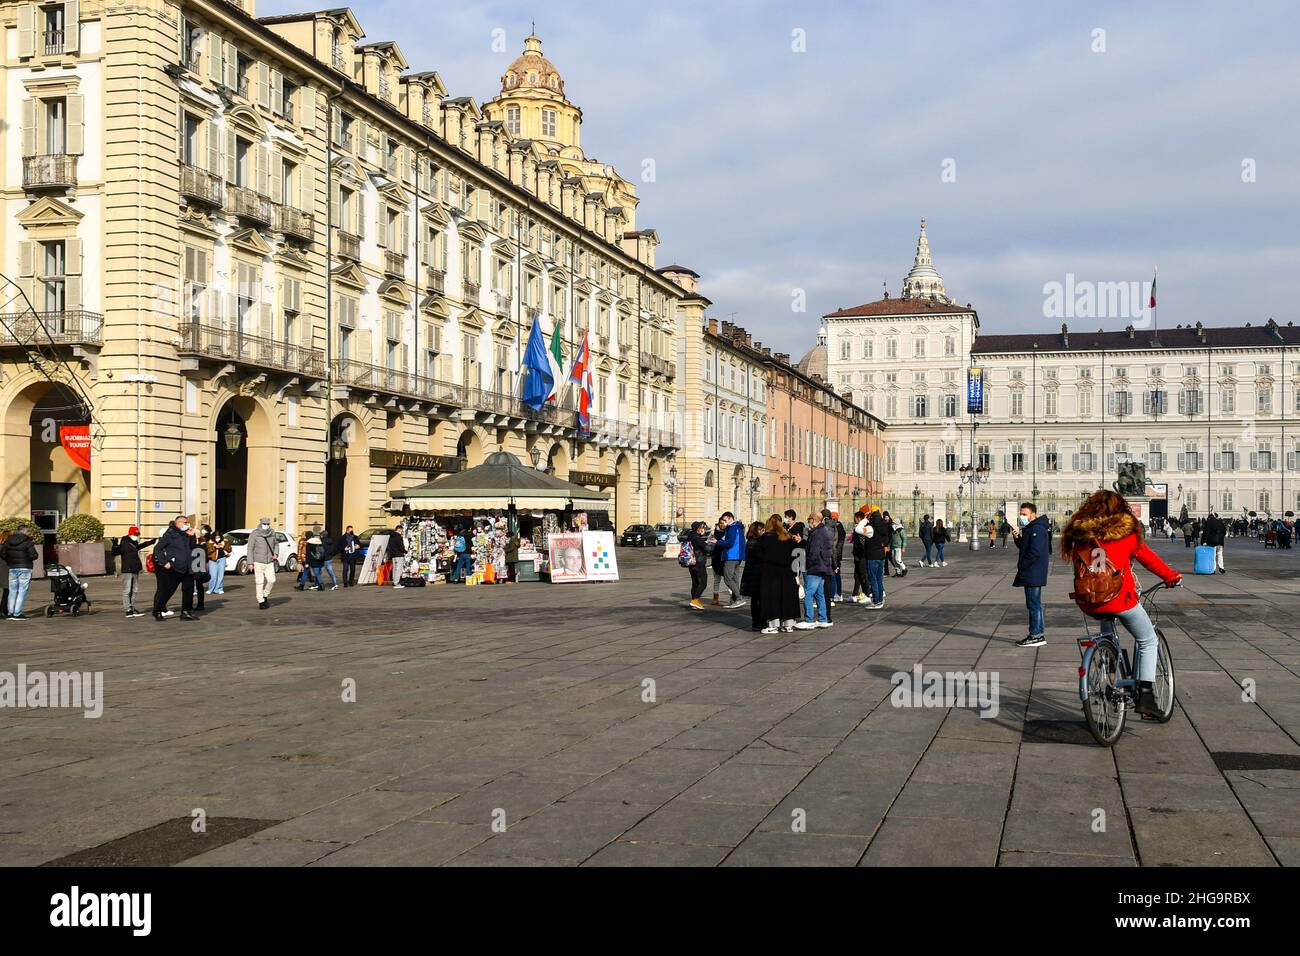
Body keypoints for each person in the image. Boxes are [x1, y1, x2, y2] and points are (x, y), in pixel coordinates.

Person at [1061, 489, 1181, 717]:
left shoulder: (1080, 537)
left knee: (1107, 636)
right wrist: (1171, 576)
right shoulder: (1125, 535)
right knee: (1148, 640)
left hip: (1090, 601)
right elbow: (1149, 559)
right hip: (1120, 600)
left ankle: (1109, 677)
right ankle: (1146, 695)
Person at [1011, 502, 1051, 647]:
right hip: (1033, 571)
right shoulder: (1032, 528)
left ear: (1033, 514)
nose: (1021, 516)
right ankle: (1038, 634)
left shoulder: (1037, 529)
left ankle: (1035, 635)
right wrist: (1017, 537)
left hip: (1033, 571)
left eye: (1024, 514)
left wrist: (1022, 565)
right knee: (1035, 604)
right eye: (1020, 514)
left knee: (1033, 605)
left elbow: (1034, 552)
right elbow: (1025, 546)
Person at [758, 515, 799, 633]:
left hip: (770, 572)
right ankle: (788, 624)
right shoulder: (788, 537)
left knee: (772, 598)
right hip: (787, 572)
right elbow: (796, 553)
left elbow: (759, 554)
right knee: (787, 598)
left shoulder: (766, 538)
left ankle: (773, 625)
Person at [796, 511, 834, 629]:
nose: (808, 522)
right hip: (822, 567)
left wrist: (808, 563)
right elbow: (813, 547)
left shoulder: (817, 533)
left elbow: (814, 552)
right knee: (819, 594)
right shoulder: (822, 531)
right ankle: (823, 619)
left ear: (813, 519)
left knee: (809, 593)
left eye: (809, 520)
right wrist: (802, 541)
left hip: (816, 567)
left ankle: (809, 619)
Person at [152, 517, 195, 621]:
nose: (187, 524)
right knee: (168, 590)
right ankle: (157, 610)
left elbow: (193, 547)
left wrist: (192, 536)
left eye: (188, 522)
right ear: (178, 523)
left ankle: (185, 612)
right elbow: (157, 548)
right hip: (175, 567)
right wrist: (164, 562)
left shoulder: (186, 534)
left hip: (188, 567)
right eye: (185, 522)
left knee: (189, 590)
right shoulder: (170, 534)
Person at [112, 526, 156, 617]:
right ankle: (128, 610)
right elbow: (115, 552)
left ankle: (131, 607)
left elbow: (138, 547)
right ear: (130, 534)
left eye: (137, 534)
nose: (136, 536)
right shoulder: (124, 542)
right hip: (127, 570)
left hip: (135, 569)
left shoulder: (134, 542)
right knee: (127, 590)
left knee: (134, 590)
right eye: (135, 534)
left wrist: (149, 542)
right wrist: (115, 545)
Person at [2, 524, 40, 620]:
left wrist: (10, 560)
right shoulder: (28, 541)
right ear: (24, 531)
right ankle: (17, 613)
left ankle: (10, 613)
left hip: (12, 568)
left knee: (12, 591)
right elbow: (34, 556)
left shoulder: (8, 540)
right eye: (28, 531)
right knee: (22, 591)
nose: (30, 533)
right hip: (25, 568)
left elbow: (2, 553)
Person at [739, 521, 766, 630]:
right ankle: (759, 622)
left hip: (751, 572)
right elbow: (760, 557)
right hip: (757, 573)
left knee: (755, 599)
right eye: (762, 529)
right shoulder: (756, 542)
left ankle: (756, 622)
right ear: (757, 530)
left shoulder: (750, 541)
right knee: (759, 599)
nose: (763, 532)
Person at [717, 511, 746, 608]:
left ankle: (739, 598)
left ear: (730, 518)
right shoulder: (738, 527)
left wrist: (717, 542)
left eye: (725, 520)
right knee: (734, 579)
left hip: (731, 556)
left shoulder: (732, 528)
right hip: (737, 556)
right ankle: (735, 600)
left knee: (728, 578)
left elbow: (729, 543)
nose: (724, 522)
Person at [248, 517, 278, 610]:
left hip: (269, 561)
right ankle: (261, 601)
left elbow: (276, 544)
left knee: (272, 580)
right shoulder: (254, 533)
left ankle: (265, 594)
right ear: (261, 524)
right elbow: (250, 548)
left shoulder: (272, 532)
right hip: (258, 561)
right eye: (264, 524)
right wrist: (250, 563)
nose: (266, 525)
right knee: (259, 582)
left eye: (268, 524)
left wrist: (276, 553)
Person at [684, 521, 711, 610]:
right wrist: (714, 545)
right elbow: (707, 549)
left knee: (695, 583)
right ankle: (695, 601)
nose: (703, 529)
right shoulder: (697, 539)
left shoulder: (690, 537)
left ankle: (694, 601)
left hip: (692, 563)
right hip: (698, 563)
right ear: (697, 529)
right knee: (703, 583)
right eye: (702, 527)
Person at [186, 524, 207, 613]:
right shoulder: (201, 545)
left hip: (196, 568)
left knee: (194, 587)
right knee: (197, 587)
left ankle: (195, 605)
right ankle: (197, 604)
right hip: (197, 567)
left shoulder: (197, 545)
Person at [295, 525, 321, 591]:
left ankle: (302, 585)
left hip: (306, 559)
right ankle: (319, 584)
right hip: (313, 559)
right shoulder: (314, 541)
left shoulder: (304, 541)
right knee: (316, 572)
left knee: (306, 572)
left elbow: (300, 551)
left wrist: (299, 560)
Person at [828, 511, 846, 603]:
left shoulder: (838, 527)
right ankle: (837, 593)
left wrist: (837, 553)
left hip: (835, 554)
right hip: (835, 554)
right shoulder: (836, 526)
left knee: (835, 574)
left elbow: (839, 542)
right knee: (835, 574)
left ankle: (837, 593)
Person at [707, 519, 726, 606]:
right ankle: (715, 597)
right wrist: (712, 543)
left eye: (723, 523)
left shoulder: (728, 532)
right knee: (716, 579)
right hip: (716, 558)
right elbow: (708, 542)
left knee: (728, 579)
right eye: (720, 523)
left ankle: (733, 597)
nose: (722, 525)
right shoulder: (713, 533)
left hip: (725, 558)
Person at [388, 523, 408, 587]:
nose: (402, 532)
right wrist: (405, 551)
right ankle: (396, 583)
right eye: (402, 530)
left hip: (393, 555)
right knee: (398, 569)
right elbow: (401, 547)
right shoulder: (398, 537)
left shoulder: (391, 536)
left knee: (395, 569)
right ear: (399, 530)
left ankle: (394, 581)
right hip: (399, 555)